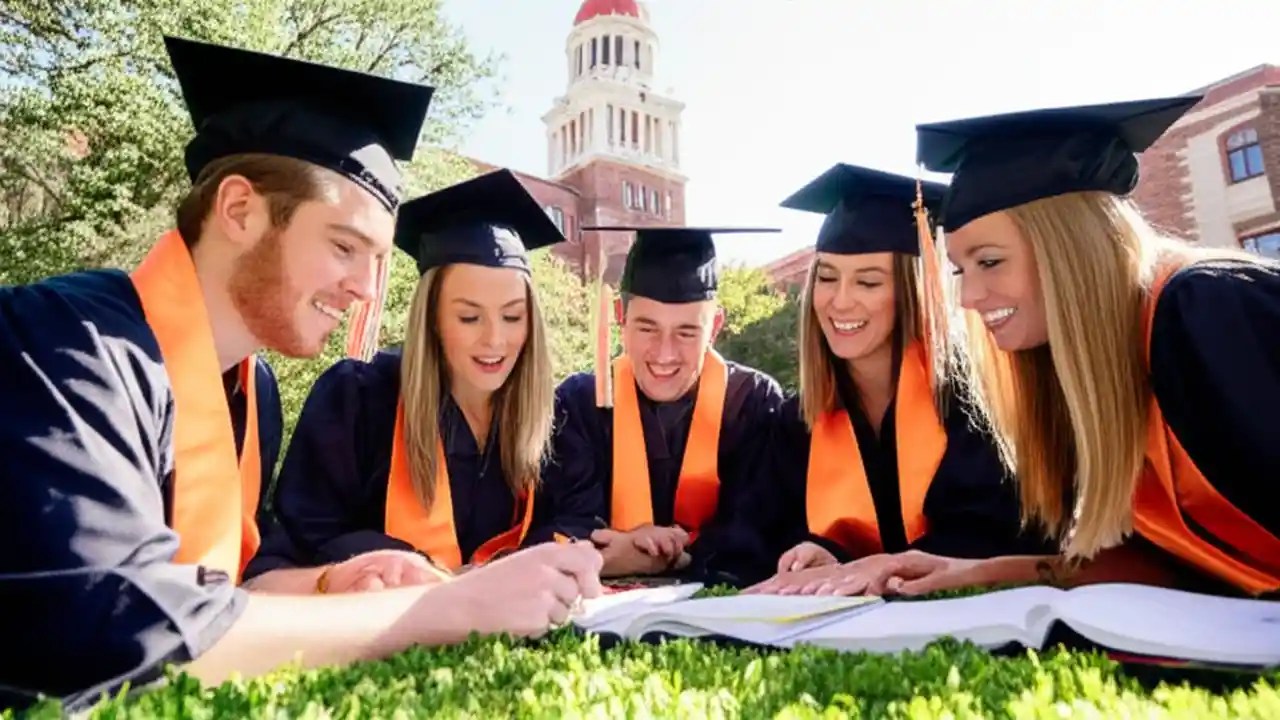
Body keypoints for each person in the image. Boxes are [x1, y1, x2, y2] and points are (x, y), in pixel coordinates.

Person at [0, 37, 601, 713]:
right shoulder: (59, 345)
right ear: (239, 211)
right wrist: (446, 608)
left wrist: (328, 583)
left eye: (375, 260)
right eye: (344, 246)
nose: (365, 289)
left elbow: (223, 595)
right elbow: (106, 633)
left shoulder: (250, 390)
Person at [813, 95, 1280, 599]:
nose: (967, 298)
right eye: (960, 270)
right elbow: (1168, 564)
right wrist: (966, 571)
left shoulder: (1207, 308)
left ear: (1070, 248)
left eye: (990, 262)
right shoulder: (1081, 372)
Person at [245, 169, 581, 588]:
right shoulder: (358, 400)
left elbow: (573, 519)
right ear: (432, 319)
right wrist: (409, 568)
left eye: (513, 316)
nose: (495, 339)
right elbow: (305, 537)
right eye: (469, 317)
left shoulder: (550, 419)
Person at [746, 164, 1052, 595]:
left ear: (912, 291)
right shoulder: (798, 420)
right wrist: (821, 555)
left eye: (868, 282)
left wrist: (878, 566)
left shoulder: (976, 402)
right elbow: (760, 535)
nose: (840, 301)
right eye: (827, 278)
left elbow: (996, 535)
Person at [540, 225, 789, 587]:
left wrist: (672, 557)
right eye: (647, 328)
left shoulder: (752, 402)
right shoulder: (579, 403)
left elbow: (756, 533)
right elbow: (567, 523)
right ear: (621, 317)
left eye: (686, 332)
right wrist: (615, 549)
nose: (665, 353)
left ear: (715, 326)